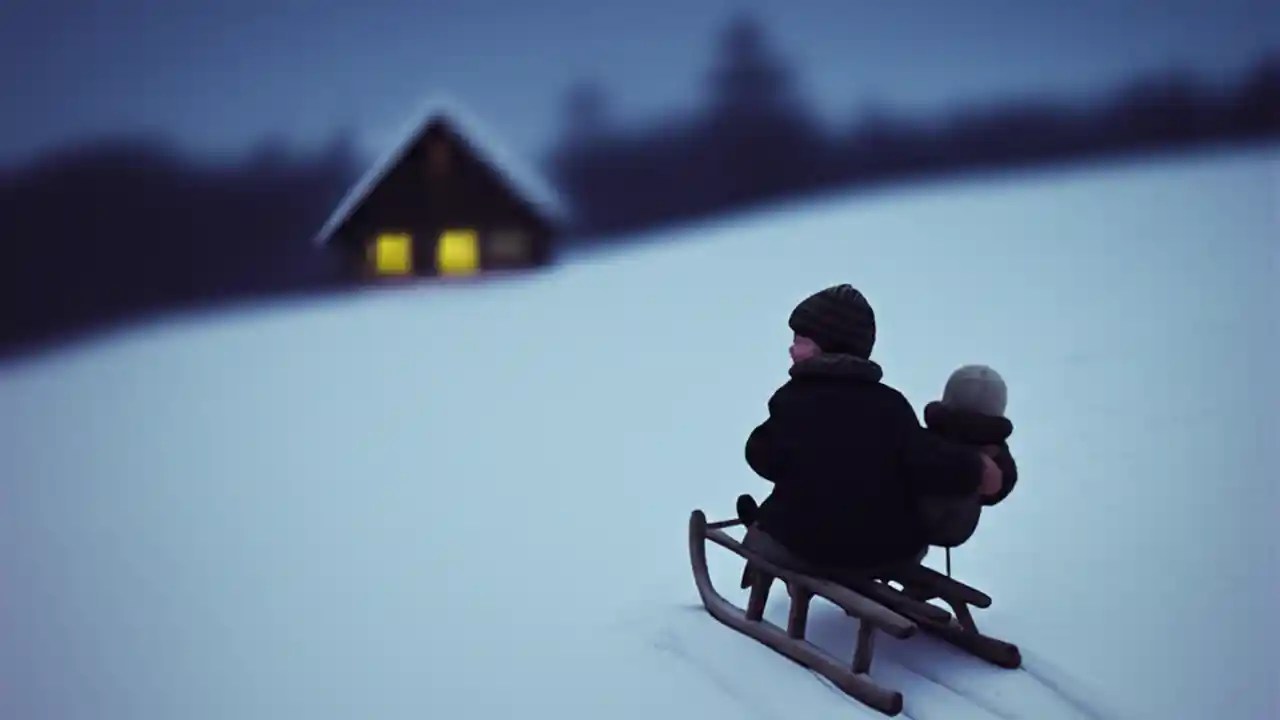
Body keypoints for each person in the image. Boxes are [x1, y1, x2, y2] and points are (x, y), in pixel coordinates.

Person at [740, 284, 1004, 579]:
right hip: (890, 553)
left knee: (772, 527)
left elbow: (763, 457)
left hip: (812, 550)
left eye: (801, 341)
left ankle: (760, 526)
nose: (792, 348)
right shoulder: (891, 404)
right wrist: (973, 467)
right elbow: (925, 459)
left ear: (827, 346)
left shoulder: (791, 401)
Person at [915, 365, 1019, 549]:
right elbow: (1001, 486)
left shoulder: (928, 439)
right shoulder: (994, 452)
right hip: (959, 526)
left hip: (905, 519)